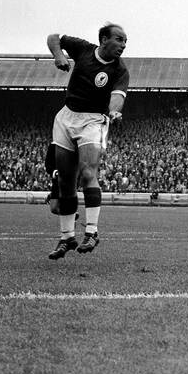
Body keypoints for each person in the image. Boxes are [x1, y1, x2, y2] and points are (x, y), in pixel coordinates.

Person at [45, 23, 129, 259]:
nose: (123, 45)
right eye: (119, 39)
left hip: (94, 120)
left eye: (125, 42)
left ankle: (91, 232)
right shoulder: (83, 49)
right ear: (104, 39)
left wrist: (114, 111)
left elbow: (117, 97)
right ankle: (66, 237)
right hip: (66, 116)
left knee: (88, 172)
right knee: (65, 179)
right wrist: (59, 55)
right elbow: (54, 37)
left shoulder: (120, 70)